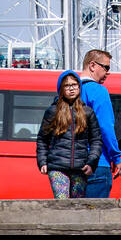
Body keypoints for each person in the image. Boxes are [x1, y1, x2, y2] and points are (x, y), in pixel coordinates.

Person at [36, 71, 101, 199]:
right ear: (61, 89)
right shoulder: (52, 111)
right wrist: (42, 162)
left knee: (77, 204)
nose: (71, 89)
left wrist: (92, 162)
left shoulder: (88, 112)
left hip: (81, 168)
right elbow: (42, 139)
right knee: (62, 201)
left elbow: (96, 140)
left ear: (79, 87)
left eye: (74, 85)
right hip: (57, 167)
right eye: (67, 86)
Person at [77, 49, 121, 197]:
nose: (108, 72)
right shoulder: (99, 91)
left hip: (71, 163)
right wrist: (116, 157)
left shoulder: (68, 91)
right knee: (94, 217)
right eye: (106, 67)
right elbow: (105, 127)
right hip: (97, 164)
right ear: (92, 65)